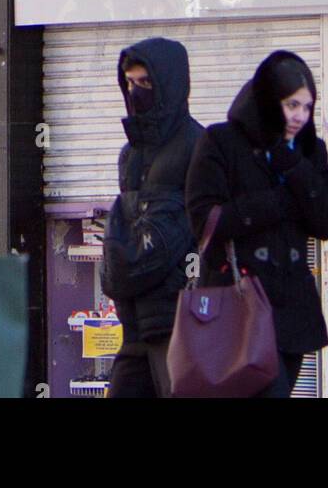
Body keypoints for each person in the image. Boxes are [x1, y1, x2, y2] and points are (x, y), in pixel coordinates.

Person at [185, 50, 328, 397]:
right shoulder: (221, 141)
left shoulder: (309, 150)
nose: (299, 116)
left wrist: (293, 166)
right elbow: (205, 219)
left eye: (307, 106)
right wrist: (279, 202)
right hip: (239, 304)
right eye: (291, 105)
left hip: (291, 309)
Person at [99, 38, 204, 398]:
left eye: (145, 82)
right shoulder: (130, 154)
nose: (135, 91)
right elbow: (125, 232)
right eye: (129, 83)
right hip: (134, 323)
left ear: (168, 85)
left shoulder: (198, 145)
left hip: (179, 320)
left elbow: (195, 230)